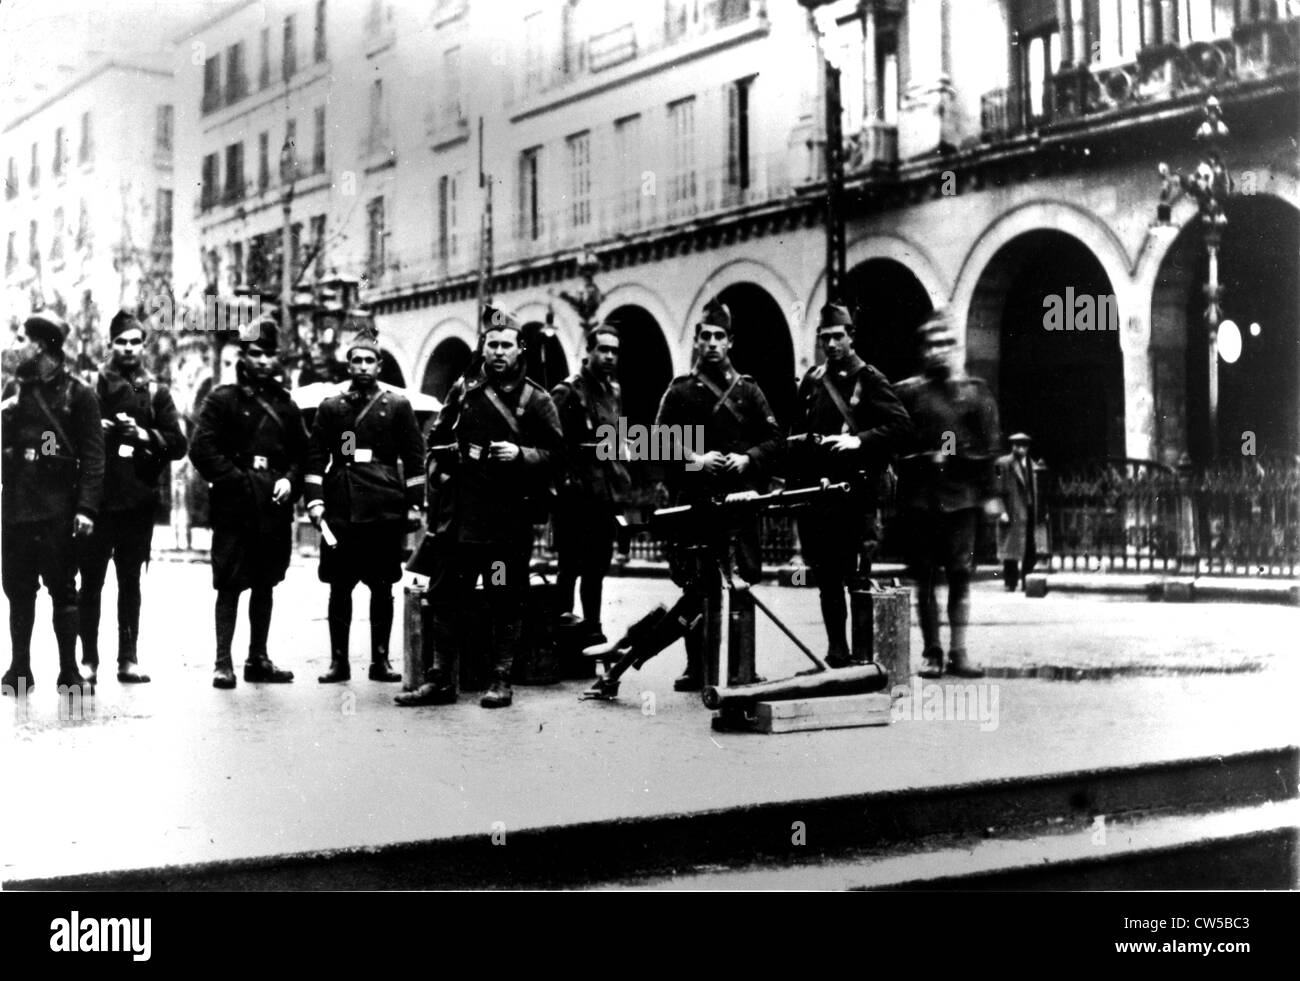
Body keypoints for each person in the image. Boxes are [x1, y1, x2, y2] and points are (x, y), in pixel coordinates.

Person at [582, 299, 784, 700]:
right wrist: (696, 460)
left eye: (719, 337)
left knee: (740, 582)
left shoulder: (748, 390)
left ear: (730, 342)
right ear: (695, 341)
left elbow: (776, 441)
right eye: (705, 336)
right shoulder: (681, 391)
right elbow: (655, 443)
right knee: (698, 585)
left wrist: (747, 459)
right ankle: (699, 665)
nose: (711, 344)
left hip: (739, 503)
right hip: (696, 503)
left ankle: (743, 664)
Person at [396, 304, 564, 709]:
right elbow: (434, 440)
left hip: (505, 523)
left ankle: (500, 679)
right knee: (445, 596)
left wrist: (521, 454)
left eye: (507, 344)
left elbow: (558, 455)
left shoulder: (537, 400)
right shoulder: (463, 390)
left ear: (520, 348)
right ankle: (440, 681)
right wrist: (441, 475)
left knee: (503, 595)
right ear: (483, 347)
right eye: (492, 344)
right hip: (461, 518)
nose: (499, 352)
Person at [788, 302, 913, 666]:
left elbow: (902, 427)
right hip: (819, 496)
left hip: (857, 496)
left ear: (851, 336)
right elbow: (797, 433)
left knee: (857, 577)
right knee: (826, 578)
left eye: (838, 337)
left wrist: (859, 441)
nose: (831, 344)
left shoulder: (870, 378)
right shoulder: (812, 380)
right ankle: (836, 653)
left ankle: (861, 657)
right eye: (825, 337)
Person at [189, 319, 307, 689]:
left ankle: (258, 658)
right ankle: (223, 662)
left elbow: (304, 454)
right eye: (254, 353)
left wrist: (290, 479)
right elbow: (201, 448)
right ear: (243, 355)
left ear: (277, 357)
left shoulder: (285, 405)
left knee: (265, 581)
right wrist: (237, 481)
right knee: (229, 583)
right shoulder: (222, 399)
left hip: (273, 504)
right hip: (235, 505)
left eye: (268, 354)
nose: (261, 361)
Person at [306, 324, 425, 683]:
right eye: (355, 360)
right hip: (341, 506)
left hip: (383, 505)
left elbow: (415, 458)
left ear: (379, 366)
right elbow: (314, 457)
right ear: (348, 366)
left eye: (368, 360)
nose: (361, 366)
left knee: (381, 587)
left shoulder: (398, 406)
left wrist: (413, 506)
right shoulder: (331, 408)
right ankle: (338, 662)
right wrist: (315, 501)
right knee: (340, 587)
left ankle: (381, 661)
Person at [76, 310, 187, 685]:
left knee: (130, 584)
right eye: (121, 342)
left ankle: (128, 658)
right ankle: (88, 661)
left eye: (135, 342)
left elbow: (177, 444)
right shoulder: (89, 386)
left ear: (144, 346)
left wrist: (142, 435)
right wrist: (97, 429)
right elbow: (64, 436)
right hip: (96, 501)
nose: (127, 348)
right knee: (90, 582)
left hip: (137, 503)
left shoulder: (155, 391)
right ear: (110, 345)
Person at [894, 311, 1002, 680]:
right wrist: (923, 458)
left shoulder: (974, 393)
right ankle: (931, 652)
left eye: (945, 344)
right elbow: (895, 445)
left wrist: (990, 494)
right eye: (932, 344)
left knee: (960, 575)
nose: (939, 351)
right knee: (924, 579)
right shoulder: (907, 393)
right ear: (923, 351)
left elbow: (990, 448)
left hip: (961, 501)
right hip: (920, 501)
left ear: (955, 348)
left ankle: (959, 652)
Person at [1, 310, 104, 697]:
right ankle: (20, 668)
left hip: (58, 509)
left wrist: (86, 509)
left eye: (21, 339)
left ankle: (69, 671)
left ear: (42, 345)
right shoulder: (13, 390)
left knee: (63, 589)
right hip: (14, 506)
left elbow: (94, 457)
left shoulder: (78, 395)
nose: (15, 346)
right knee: (17, 589)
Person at [549, 322, 631, 644]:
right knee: (569, 566)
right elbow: (551, 444)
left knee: (597, 566)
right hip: (575, 496)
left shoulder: (614, 392)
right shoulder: (569, 391)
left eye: (614, 351)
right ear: (590, 350)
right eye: (603, 349)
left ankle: (593, 628)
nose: (609, 356)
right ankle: (561, 632)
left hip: (604, 495)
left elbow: (617, 438)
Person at [995, 433, 1046, 592]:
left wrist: (1040, 510)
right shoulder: (1003, 464)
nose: (1021, 449)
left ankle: (1026, 581)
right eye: (1017, 445)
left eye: (1024, 446)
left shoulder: (1032, 465)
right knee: (1010, 548)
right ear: (1012, 446)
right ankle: (1010, 582)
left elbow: (1037, 490)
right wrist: (1001, 511)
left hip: (1029, 511)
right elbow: (996, 490)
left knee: (1029, 548)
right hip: (1012, 510)